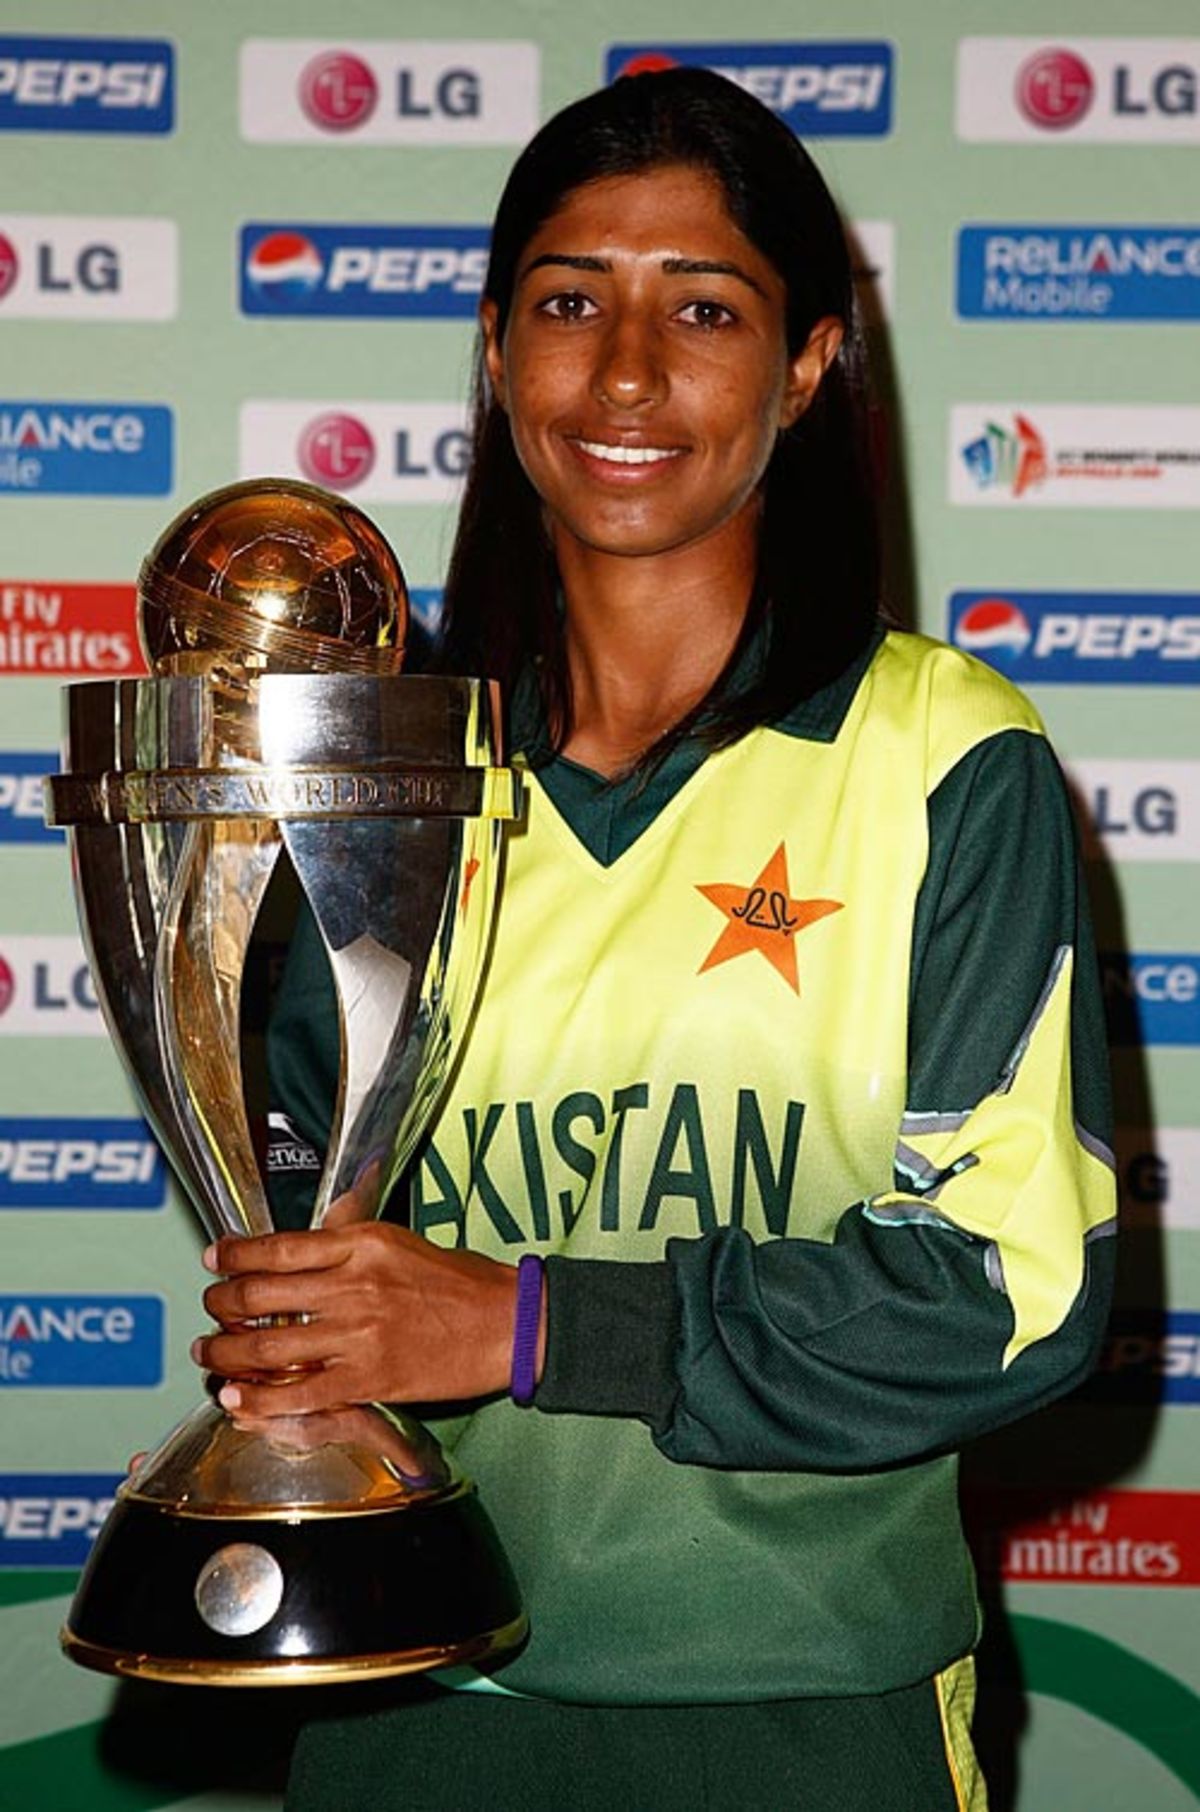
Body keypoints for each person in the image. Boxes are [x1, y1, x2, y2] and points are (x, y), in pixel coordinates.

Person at [195, 69, 1116, 1811]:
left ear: (809, 364)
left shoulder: (942, 756)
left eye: (703, 310)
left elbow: (1016, 1292)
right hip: (409, 1696)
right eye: (569, 304)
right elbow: (310, 1226)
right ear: (496, 352)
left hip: (803, 1707)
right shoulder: (383, 786)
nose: (624, 373)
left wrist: (535, 1326)